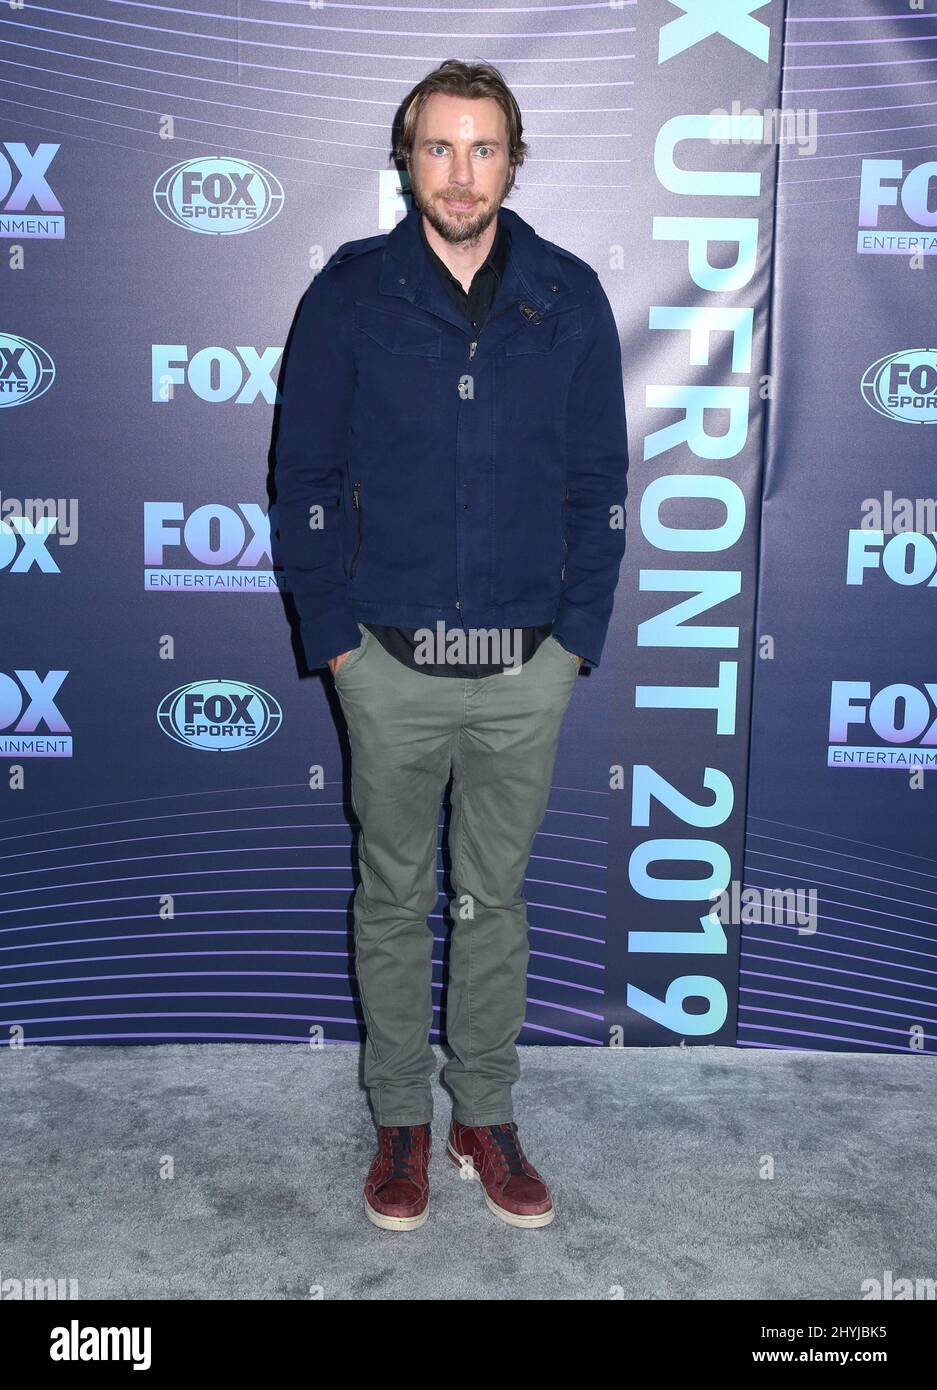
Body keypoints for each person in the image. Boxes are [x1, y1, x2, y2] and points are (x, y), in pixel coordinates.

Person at [275, 58, 628, 1232]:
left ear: (513, 161)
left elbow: (599, 483)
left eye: (483, 150)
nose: (461, 173)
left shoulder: (569, 297)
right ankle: (399, 1124)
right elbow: (303, 482)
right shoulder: (352, 292)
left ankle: (482, 1112)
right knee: (392, 896)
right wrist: (336, 644)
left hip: (526, 669)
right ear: (407, 158)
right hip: (386, 667)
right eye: (439, 148)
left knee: (495, 900)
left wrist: (574, 639)